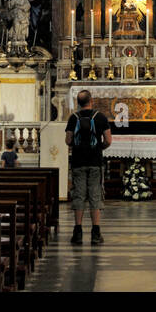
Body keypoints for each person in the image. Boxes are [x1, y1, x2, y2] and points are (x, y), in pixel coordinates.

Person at [65, 89, 111, 245]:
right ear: (91, 101)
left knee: (78, 195)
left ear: (78, 102)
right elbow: (108, 140)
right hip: (95, 161)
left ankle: (77, 232)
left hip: (78, 161)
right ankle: (96, 233)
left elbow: (68, 140)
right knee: (95, 195)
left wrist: (78, 146)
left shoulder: (73, 117)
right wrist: (99, 147)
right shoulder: (100, 117)